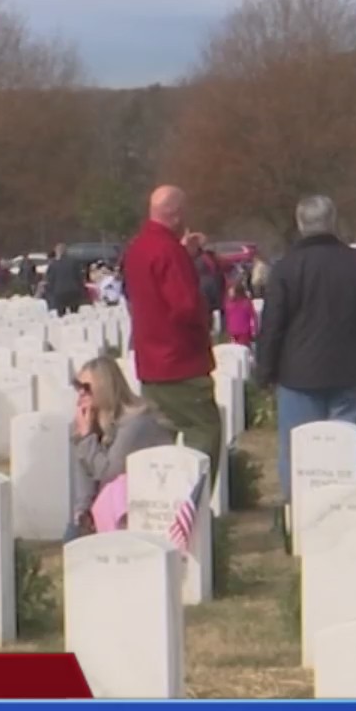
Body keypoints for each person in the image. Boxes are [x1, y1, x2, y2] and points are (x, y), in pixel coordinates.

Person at [255, 194, 356, 494]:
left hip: (299, 373)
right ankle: (346, 511)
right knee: (345, 452)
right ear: (333, 222)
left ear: (300, 224)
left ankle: (299, 517)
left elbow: (273, 324)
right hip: (352, 371)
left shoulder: (287, 266)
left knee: (300, 454)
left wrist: (264, 371)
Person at [122, 185, 223, 487]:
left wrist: (184, 254)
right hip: (181, 363)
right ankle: (191, 506)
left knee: (160, 442)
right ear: (176, 214)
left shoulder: (138, 248)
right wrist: (205, 321)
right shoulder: (168, 252)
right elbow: (186, 307)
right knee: (204, 433)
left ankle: (160, 501)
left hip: (150, 363)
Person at [69, 355, 177, 537]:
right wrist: (82, 513)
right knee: (72, 536)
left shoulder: (135, 423)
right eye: (78, 387)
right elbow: (85, 475)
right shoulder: (87, 422)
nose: (80, 393)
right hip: (113, 504)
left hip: (147, 504)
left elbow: (109, 472)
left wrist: (86, 438)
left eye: (86, 388)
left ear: (104, 387)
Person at [44, 244, 87, 316]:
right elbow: (79, 277)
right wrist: (81, 289)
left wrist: (50, 291)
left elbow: (50, 280)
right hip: (73, 291)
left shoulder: (53, 264)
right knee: (74, 314)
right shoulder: (74, 262)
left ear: (57, 252)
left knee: (61, 315)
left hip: (59, 292)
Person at [223, 276, 257, 347]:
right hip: (233, 332)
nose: (230, 292)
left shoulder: (245, 303)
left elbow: (253, 317)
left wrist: (254, 330)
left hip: (244, 332)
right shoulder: (229, 303)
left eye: (232, 290)